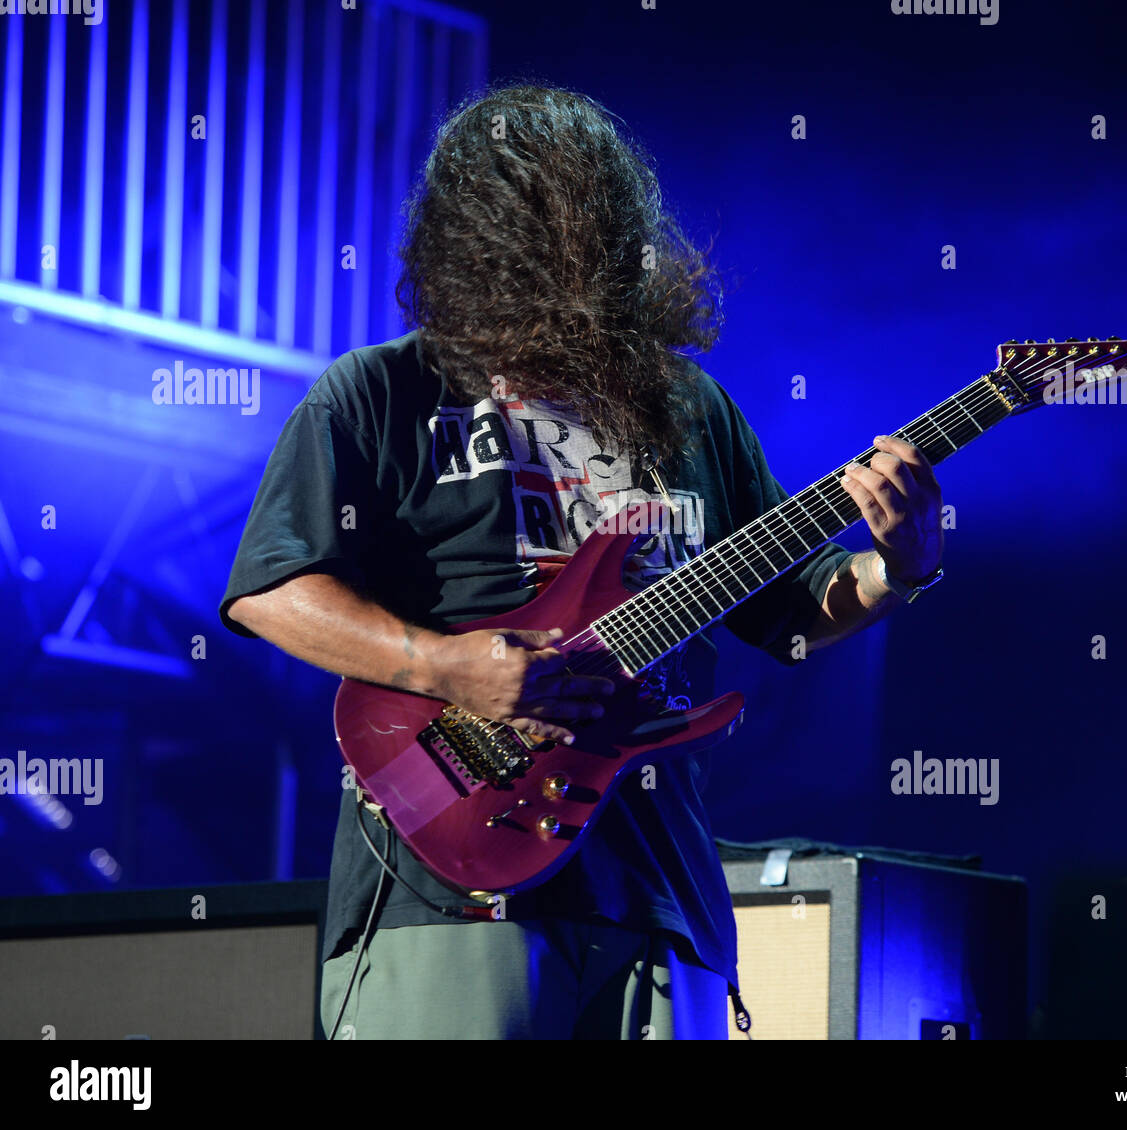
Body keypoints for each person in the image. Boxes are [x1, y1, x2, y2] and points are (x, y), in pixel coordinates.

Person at [219, 84, 944, 1040]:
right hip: (453, 880)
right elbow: (272, 591)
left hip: (659, 895)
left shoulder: (688, 410)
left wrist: (903, 562)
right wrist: (444, 668)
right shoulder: (383, 393)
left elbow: (793, 610)